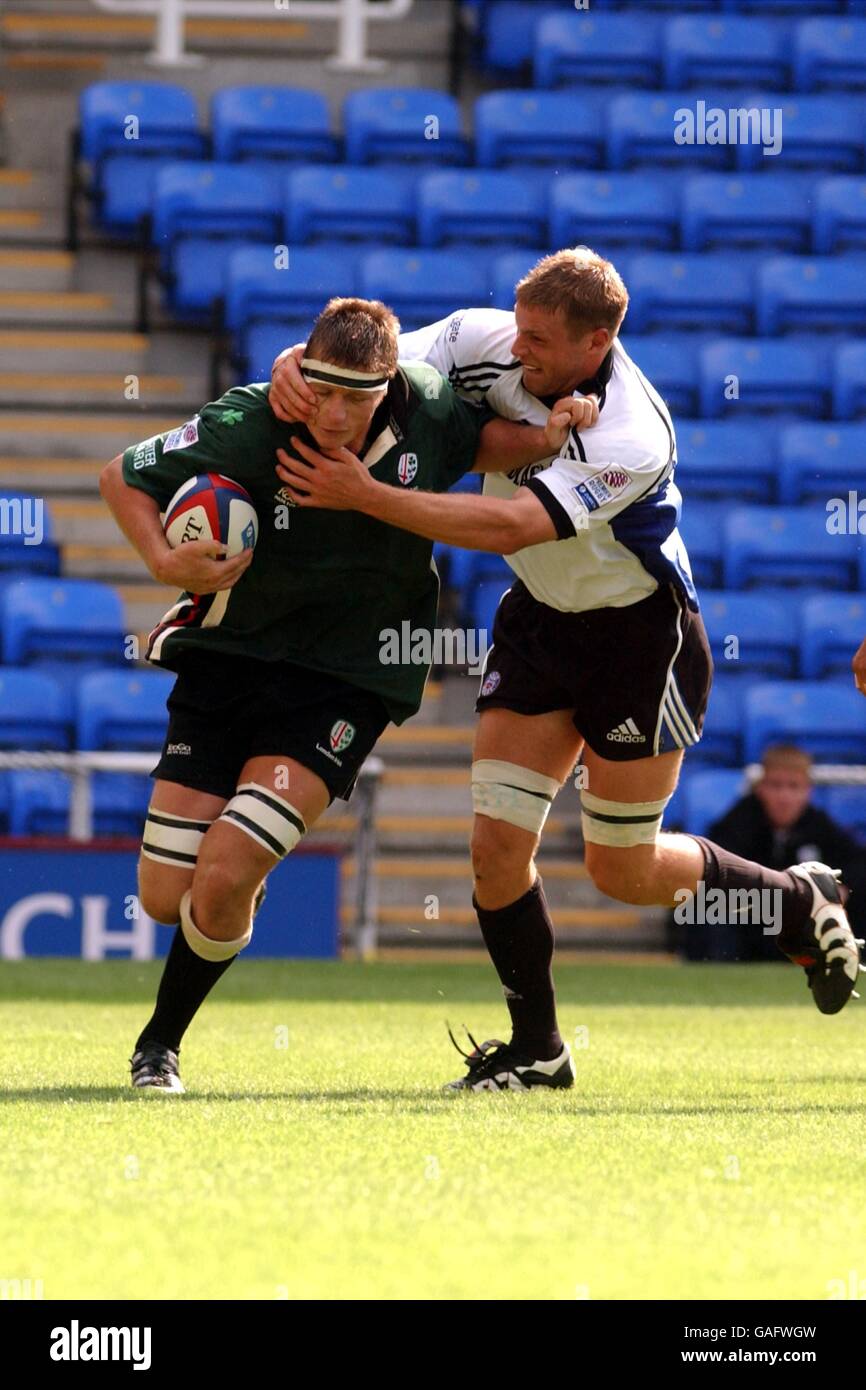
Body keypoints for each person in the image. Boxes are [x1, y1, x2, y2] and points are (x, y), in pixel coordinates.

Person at [270, 248, 863, 1094]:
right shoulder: (491, 338)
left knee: (622, 870)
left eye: (542, 339)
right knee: (493, 854)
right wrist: (294, 369)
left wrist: (364, 495)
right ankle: (538, 1049)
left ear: (601, 340)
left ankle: (795, 902)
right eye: (519, 326)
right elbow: (368, 366)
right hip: (537, 626)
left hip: (639, 640)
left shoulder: (633, 432)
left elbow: (513, 524)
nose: (520, 351)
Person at [100, 295, 595, 1094]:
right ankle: (242, 863)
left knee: (224, 872)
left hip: (348, 680)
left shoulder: (430, 410)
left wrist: (547, 436)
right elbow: (121, 476)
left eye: (354, 398)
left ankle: (159, 1046)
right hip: (227, 662)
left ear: (389, 383)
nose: (332, 413)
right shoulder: (254, 421)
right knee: (165, 896)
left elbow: (482, 441)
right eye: (321, 391)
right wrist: (163, 560)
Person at [679, 746, 866, 963]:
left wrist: (840, 889)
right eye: (776, 786)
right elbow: (715, 869)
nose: (784, 797)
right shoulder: (738, 823)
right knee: (705, 901)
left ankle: (850, 964)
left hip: (802, 926)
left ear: (808, 791)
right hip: (751, 920)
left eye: (793, 786)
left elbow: (856, 864)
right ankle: (717, 970)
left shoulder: (818, 825)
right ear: (761, 788)